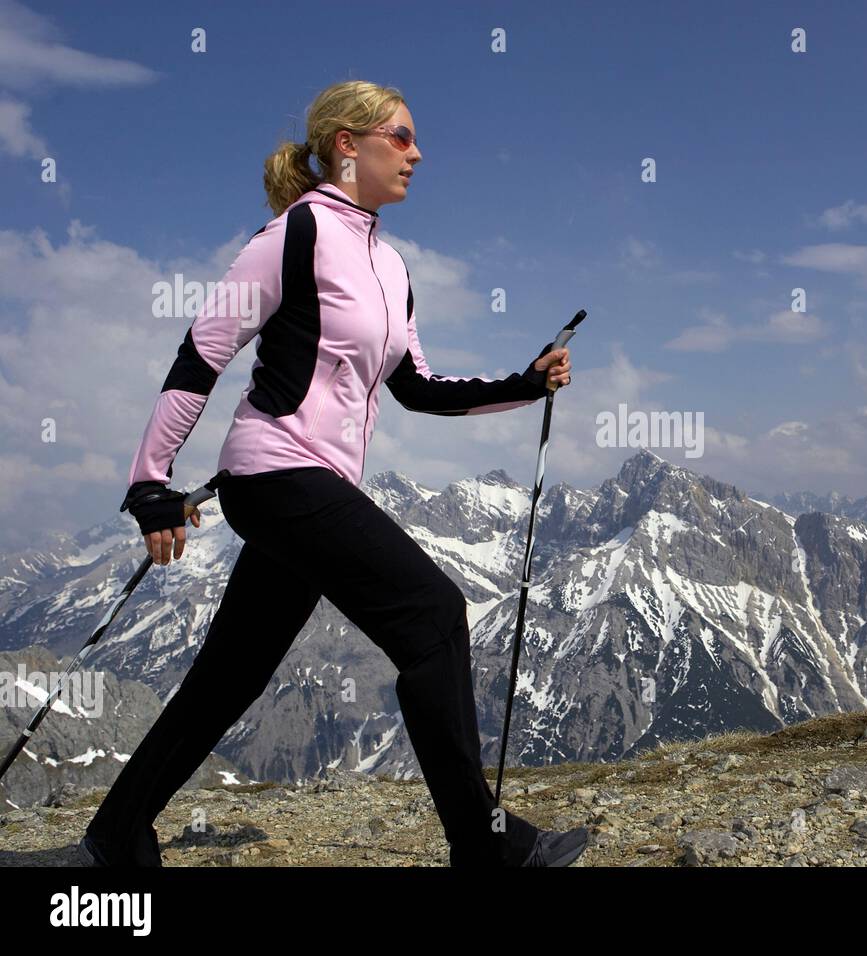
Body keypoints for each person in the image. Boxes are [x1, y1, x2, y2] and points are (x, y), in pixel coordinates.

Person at [80, 79, 587, 868]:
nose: (419, 152)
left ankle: (116, 833)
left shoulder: (390, 264)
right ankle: (483, 844)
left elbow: (417, 389)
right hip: (274, 476)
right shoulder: (294, 234)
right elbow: (202, 354)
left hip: (315, 488)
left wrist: (521, 384)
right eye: (402, 135)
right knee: (433, 616)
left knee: (231, 674)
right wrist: (152, 482)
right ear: (347, 144)